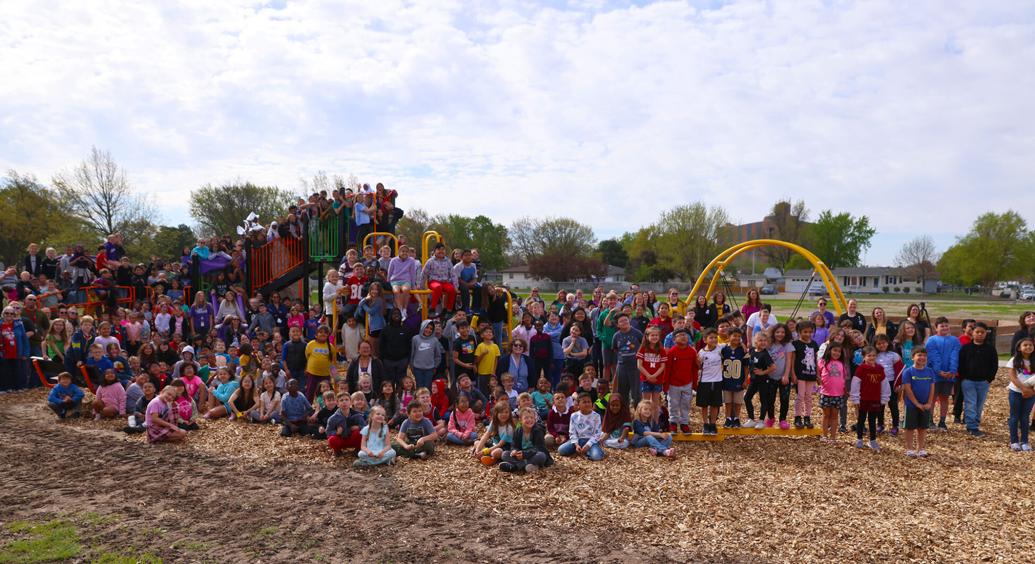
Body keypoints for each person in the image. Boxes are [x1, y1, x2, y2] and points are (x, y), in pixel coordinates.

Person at [958, 322, 998, 437]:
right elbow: (961, 363)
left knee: (979, 404)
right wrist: (963, 378)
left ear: (986, 334)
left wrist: (989, 379)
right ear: (972, 333)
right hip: (968, 381)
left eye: (982, 332)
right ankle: (972, 426)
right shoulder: (966, 348)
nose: (979, 334)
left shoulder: (990, 349)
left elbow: (994, 365)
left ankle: (975, 421)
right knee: (970, 403)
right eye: (977, 332)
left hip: (983, 382)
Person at [925, 317, 960, 432]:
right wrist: (938, 371)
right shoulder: (932, 340)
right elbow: (933, 357)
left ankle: (942, 421)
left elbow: (955, 356)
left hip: (949, 375)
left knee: (944, 398)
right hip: (934, 375)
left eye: (946, 325)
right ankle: (929, 421)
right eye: (942, 326)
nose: (944, 327)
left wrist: (952, 371)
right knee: (932, 397)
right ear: (936, 328)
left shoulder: (954, 340)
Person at [850, 346, 887, 450]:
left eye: (874, 355)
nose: (871, 357)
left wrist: (884, 397)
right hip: (863, 399)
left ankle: (873, 440)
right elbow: (855, 384)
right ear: (864, 357)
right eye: (869, 355)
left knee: (872, 420)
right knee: (861, 419)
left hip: (875, 399)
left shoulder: (880, 369)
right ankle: (859, 439)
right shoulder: (861, 369)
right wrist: (855, 398)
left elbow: (884, 384)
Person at [901, 347, 936, 458]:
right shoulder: (908, 372)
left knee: (922, 427)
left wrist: (929, 403)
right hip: (911, 405)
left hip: (925, 405)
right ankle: (910, 449)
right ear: (913, 357)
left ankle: (920, 448)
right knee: (910, 427)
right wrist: (916, 404)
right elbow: (908, 390)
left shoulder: (930, 371)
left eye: (924, 356)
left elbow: (932, 388)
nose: (922, 358)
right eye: (919, 355)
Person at [499, 406, 553, 473]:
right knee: (504, 454)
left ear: (535, 419)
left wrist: (524, 454)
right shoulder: (518, 430)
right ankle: (529, 465)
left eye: (532, 418)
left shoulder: (538, 430)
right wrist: (514, 451)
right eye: (526, 418)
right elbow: (514, 445)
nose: (529, 420)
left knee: (541, 456)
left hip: (533, 454)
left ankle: (515, 467)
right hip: (521, 454)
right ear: (521, 420)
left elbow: (539, 447)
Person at [665, 329, 698, 434]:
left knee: (686, 404)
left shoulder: (692, 351)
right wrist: (665, 385)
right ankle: (673, 423)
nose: (683, 337)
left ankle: (684, 423)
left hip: (687, 383)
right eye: (680, 335)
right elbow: (667, 369)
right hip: (673, 384)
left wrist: (695, 383)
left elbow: (694, 368)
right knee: (673, 404)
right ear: (674, 339)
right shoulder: (671, 352)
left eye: (685, 335)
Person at [1007, 338, 1035, 452]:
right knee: (1014, 416)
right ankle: (1014, 441)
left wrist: (1031, 391)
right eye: (1025, 345)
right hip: (1016, 392)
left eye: (1031, 345)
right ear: (1019, 348)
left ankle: (1025, 441)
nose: (1028, 347)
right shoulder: (1014, 360)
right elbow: (1013, 377)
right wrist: (1024, 389)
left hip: (1031, 393)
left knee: (1025, 417)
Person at [558, 392, 605, 461]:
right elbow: (572, 432)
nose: (587, 404)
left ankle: (589, 451)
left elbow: (597, 434)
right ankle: (581, 450)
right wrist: (576, 445)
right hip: (578, 440)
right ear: (578, 405)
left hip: (591, 442)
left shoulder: (596, 416)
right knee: (561, 450)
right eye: (584, 402)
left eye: (589, 402)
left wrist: (588, 445)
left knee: (596, 457)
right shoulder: (574, 416)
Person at [791, 321, 819, 430]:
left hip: (811, 374)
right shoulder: (796, 344)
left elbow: (815, 360)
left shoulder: (814, 344)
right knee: (800, 396)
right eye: (805, 332)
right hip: (800, 374)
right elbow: (793, 360)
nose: (808, 334)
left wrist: (817, 374)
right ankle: (797, 417)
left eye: (810, 332)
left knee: (808, 397)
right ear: (799, 332)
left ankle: (807, 417)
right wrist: (792, 374)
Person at [744, 331, 775, 430]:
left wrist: (763, 372)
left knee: (763, 400)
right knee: (747, 398)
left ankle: (761, 421)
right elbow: (747, 358)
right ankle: (751, 419)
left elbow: (773, 367)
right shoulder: (752, 350)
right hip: (753, 380)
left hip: (763, 380)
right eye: (760, 340)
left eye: (765, 341)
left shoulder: (765, 354)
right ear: (755, 342)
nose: (763, 342)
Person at [611, 313, 643, 408]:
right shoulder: (616, 336)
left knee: (636, 393)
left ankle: (638, 414)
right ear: (618, 325)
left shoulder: (636, 333)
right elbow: (615, 349)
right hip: (622, 367)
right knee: (622, 392)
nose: (624, 322)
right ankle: (625, 414)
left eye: (626, 320)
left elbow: (644, 344)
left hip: (635, 366)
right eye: (621, 321)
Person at [636, 327, 667, 424]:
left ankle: (655, 424)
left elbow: (662, 366)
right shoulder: (643, 348)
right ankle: (643, 423)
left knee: (655, 403)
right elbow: (639, 365)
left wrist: (654, 376)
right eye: (652, 335)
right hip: (645, 379)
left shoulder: (661, 350)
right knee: (645, 402)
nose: (654, 337)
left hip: (657, 380)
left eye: (656, 335)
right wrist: (648, 376)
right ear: (647, 336)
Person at [721, 328, 748, 428]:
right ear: (729, 337)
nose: (737, 338)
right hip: (726, 378)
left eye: (739, 336)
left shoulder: (742, 350)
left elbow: (746, 367)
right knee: (728, 401)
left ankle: (736, 418)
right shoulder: (724, 349)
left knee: (737, 401)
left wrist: (745, 380)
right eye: (734, 336)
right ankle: (728, 418)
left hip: (739, 379)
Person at [304, 325, 336, 401]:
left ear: (328, 335)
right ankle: (309, 410)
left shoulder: (331, 347)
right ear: (316, 335)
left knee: (326, 394)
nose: (323, 334)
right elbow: (307, 356)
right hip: (312, 374)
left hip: (325, 375)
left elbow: (332, 363)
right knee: (310, 392)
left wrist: (336, 377)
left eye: (325, 333)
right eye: (320, 332)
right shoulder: (310, 344)